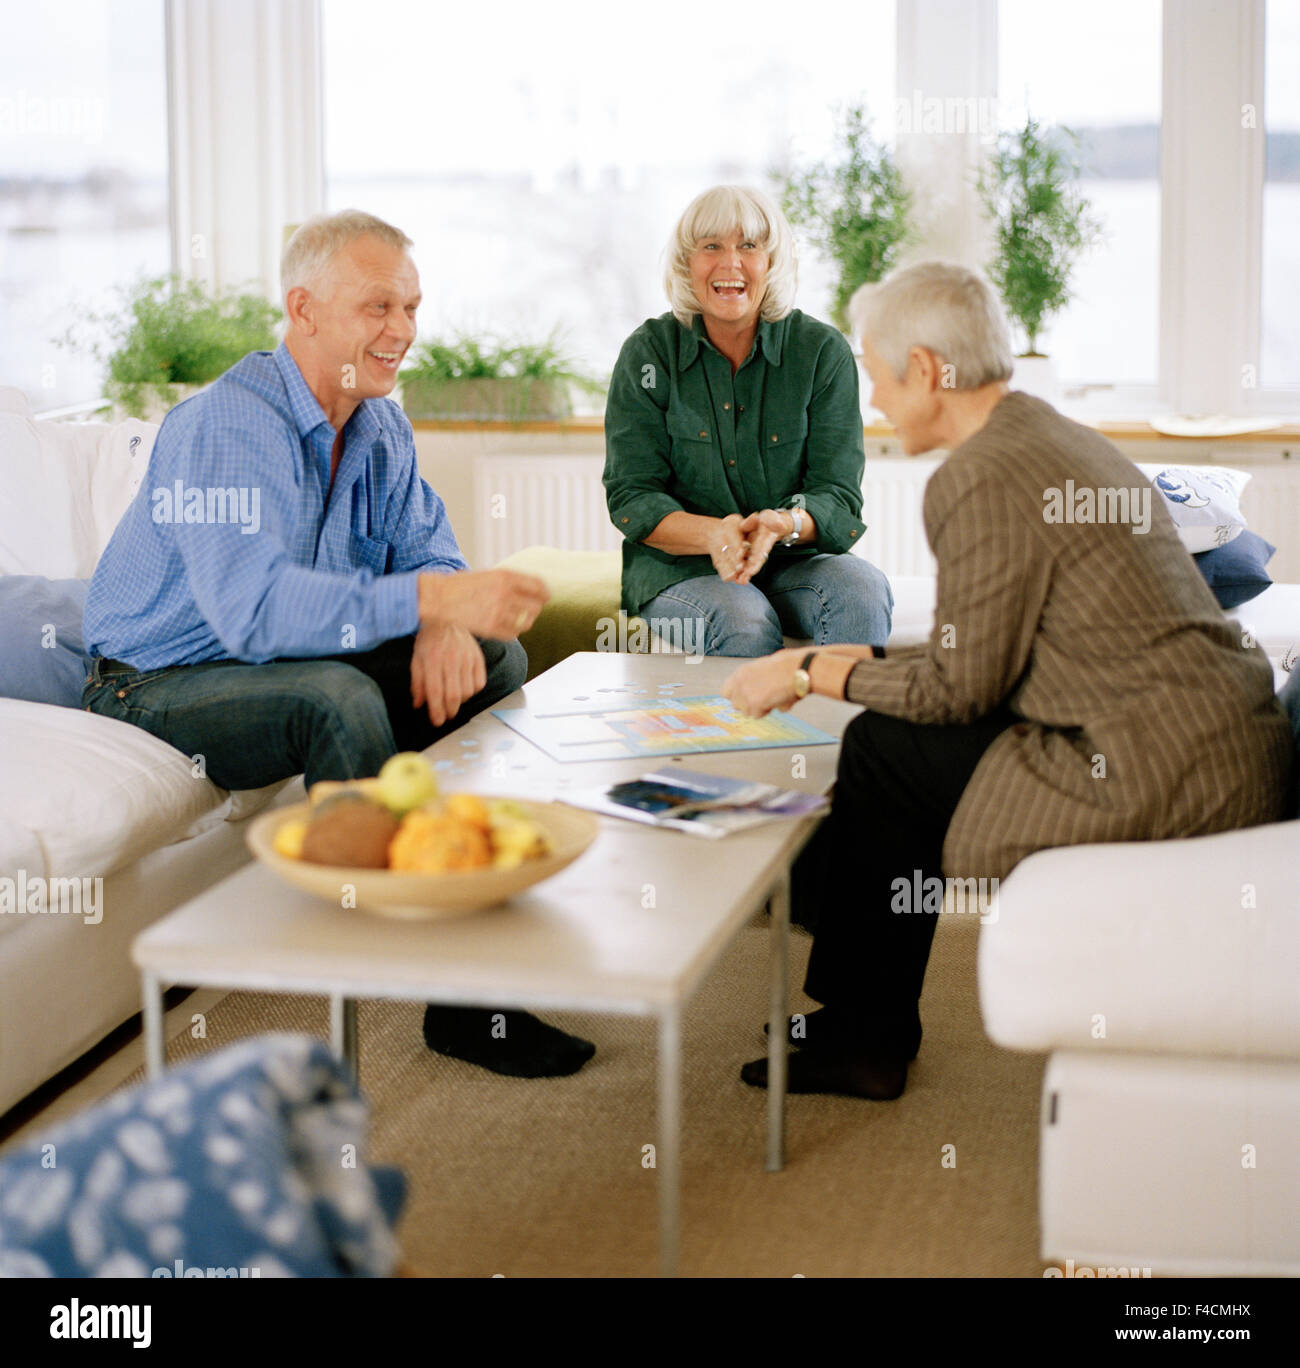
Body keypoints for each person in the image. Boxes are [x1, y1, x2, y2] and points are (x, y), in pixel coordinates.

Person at [723, 260, 1293, 1100]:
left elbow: (960, 690)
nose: (874, 398)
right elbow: (986, 650)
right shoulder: (1044, 432)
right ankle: (858, 1006)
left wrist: (813, 669)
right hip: (1213, 737)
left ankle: (862, 1031)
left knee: (886, 749)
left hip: (1159, 765)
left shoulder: (978, 477)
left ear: (924, 370)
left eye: (876, 373)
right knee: (886, 741)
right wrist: (843, 665)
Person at [83, 209, 597, 1080]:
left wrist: (441, 620)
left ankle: (460, 948)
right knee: (337, 698)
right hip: (158, 679)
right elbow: (257, 614)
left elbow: (430, 548)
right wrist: (438, 597)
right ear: (304, 309)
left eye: (411, 307)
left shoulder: (379, 425)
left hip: (266, 661)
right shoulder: (228, 427)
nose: (402, 331)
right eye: (377, 307)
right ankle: (382, 978)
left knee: (494, 663)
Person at [603, 184, 892, 657]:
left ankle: (847, 732)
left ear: (771, 262)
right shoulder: (649, 354)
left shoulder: (821, 353)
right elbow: (633, 495)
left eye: (749, 246)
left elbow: (837, 497)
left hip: (795, 563)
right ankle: (754, 734)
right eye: (711, 246)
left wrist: (784, 523)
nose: (730, 264)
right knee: (743, 617)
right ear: (686, 264)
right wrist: (713, 535)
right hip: (683, 571)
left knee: (862, 589)